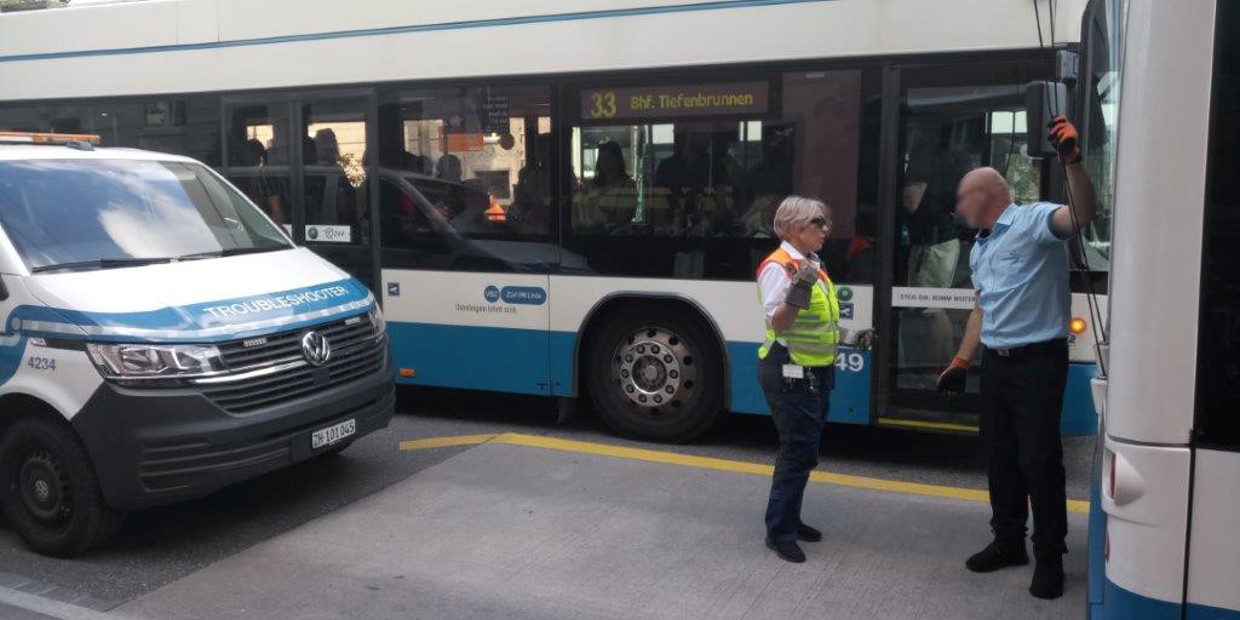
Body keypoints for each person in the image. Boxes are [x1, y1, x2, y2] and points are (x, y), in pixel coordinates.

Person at [936, 116, 1095, 600]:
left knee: (1039, 461)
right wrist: (962, 362)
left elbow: (1081, 215)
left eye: (962, 196)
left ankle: (1049, 557)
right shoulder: (981, 249)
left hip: (1038, 363)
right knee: (1000, 457)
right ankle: (1009, 542)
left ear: (984, 195)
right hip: (998, 366)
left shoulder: (1032, 221)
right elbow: (983, 309)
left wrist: (1071, 160)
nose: (958, 206)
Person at [755, 196, 841, 564]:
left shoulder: (812, 263)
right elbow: (780, 322)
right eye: (817, 224)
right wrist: (799, 289)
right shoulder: (781, 266)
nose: (825, 230)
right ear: (792, 229)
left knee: (806, 449)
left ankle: (790, 518)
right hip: (791, 370)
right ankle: (779, 531)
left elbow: (820, 321)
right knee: (797, 449)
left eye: (824, 223)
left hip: (816, 368)